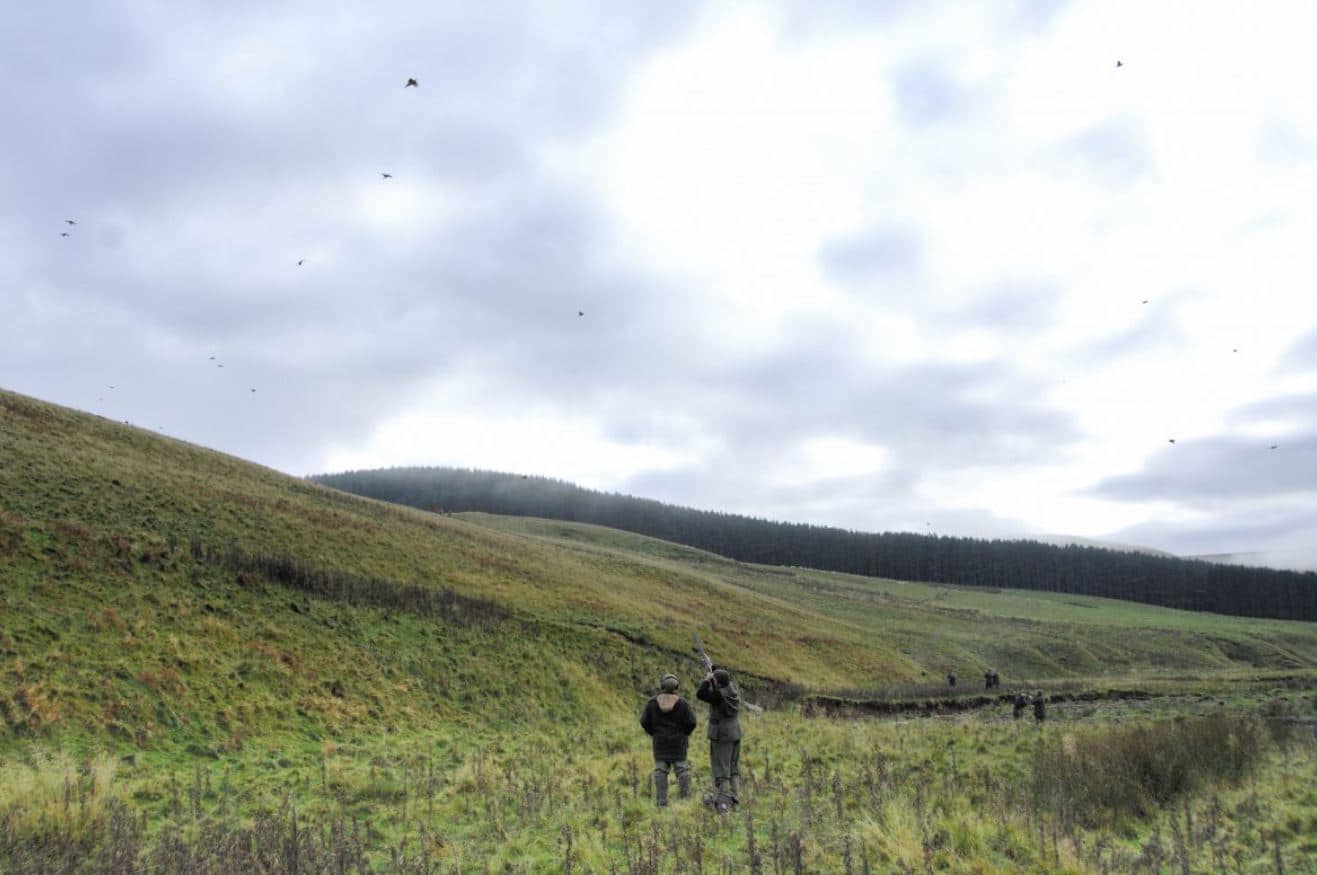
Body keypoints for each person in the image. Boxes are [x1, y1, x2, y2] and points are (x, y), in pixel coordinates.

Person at [639, 673, 697, 806]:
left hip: (660, 743)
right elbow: (692, 722)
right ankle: (685, 800)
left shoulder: (652, 703)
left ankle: (661, 801)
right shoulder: (682, 703)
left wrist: (654, 733)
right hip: (678, 743)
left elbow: (643, 721)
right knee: (682, 770)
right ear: (676, 686)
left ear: (662, 686)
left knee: (660, 771)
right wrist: (685, 734)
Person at [696, 666, 742, 813]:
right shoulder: (731, 689)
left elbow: (701, 694)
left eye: (714, 680)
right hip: (734, 733)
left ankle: (723, 804)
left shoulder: (719, 697)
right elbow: (723, 678)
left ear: (717, 683)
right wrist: (712, 667)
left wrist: (707, 680)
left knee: (722, 770)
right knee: (733, 769)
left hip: (722, 736)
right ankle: (734, 798)